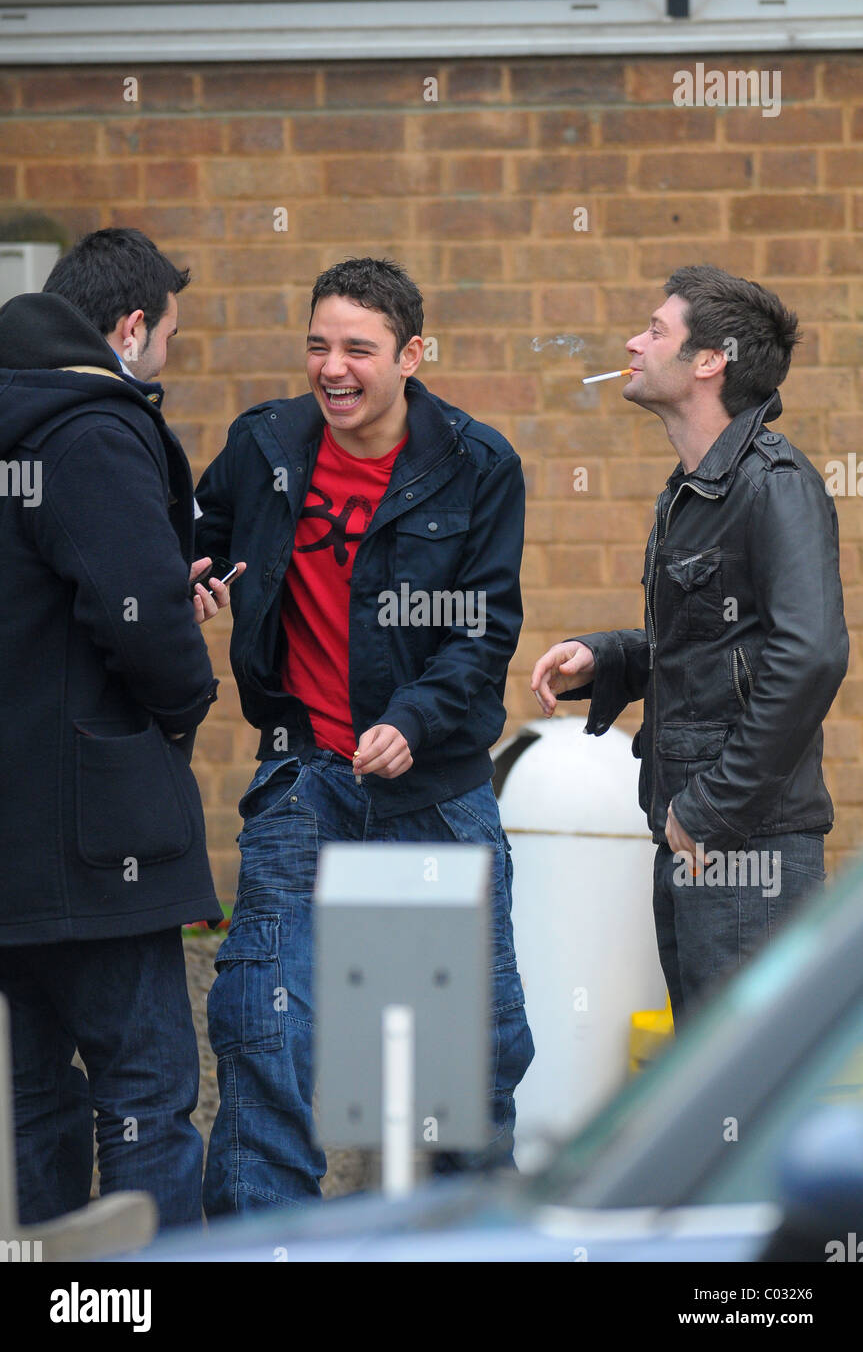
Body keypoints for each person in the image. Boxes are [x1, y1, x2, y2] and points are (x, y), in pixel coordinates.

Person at [196, 255, 534, 1214]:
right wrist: (194, 574)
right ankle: (263, 1246)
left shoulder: (475, 463)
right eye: (317, 345)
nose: (331, 368)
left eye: (357, 349)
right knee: (268, 1032)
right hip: (305, 777)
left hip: (431, 790)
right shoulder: (266, 442)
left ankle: (469, 1239)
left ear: (411, 356)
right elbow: (205, 524)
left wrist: (409, 720)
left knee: (464, 1061)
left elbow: (480, 633)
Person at [531, 265, 848, 1023]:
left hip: (746, 845)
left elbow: (810, 658)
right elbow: (714, 647)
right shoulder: (692, 490)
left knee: (741, 1097)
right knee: (709, 1085)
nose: (633, 344)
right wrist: (606, 658)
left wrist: (710, 809)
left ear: (709, 361)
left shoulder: (773, 484)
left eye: (655, 330)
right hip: (696, 836)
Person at [0, 227, 236, 1231]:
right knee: (143, 1098)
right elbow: (135, 618)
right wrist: (184, 695)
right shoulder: (89, 428)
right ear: (129, 327)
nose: (167, 358)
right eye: (170, 336)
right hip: (99, 851)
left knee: (31, 1105)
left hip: (14, 846)